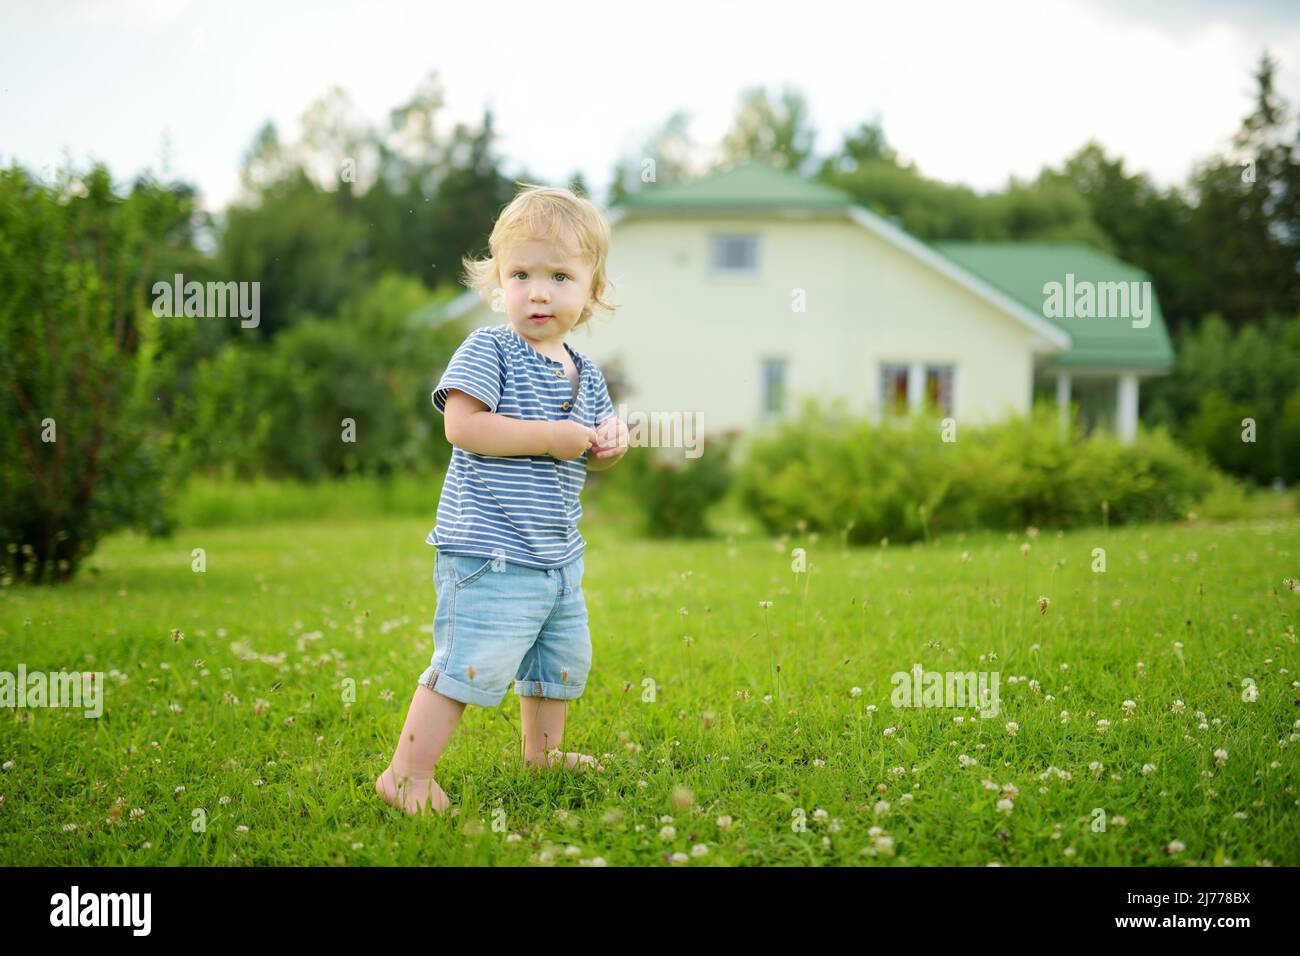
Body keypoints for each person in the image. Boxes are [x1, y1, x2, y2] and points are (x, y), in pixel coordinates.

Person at [375, 184, 629, 816]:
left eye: (559, 276)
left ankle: (542, 754)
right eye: (520, 273)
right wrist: (549, 437)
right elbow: (463, 427)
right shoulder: (491, 350)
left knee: (558, 661)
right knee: (469, 663)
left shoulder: (585, 372)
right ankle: (406, 773)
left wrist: (610, 442)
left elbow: (591, 445)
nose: (537, 291)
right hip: (489, 549)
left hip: (555, 555)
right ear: (497, 283)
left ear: (592, 290)